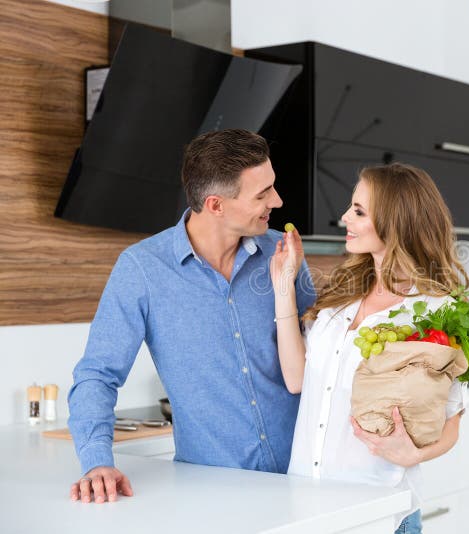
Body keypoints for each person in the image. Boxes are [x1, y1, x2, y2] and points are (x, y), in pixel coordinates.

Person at [67, 129, 316, 504]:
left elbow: (325, 354)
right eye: (262, 194)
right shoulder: (143, 269)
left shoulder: (283, 254)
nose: (277, 201)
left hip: (308, 480)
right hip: (211, 494)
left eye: (273, 187)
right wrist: (97, 461)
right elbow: (97, 375)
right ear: (215, 205)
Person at [270, 162, 469, 534]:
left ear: (397, 222)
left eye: (359, 211)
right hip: (308, 506)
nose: (344, 217)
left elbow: (451, 422)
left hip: (380, 512)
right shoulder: (341, 298)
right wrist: (285, 287)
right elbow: (297, 380)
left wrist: (415, 454)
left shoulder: (436, 310)